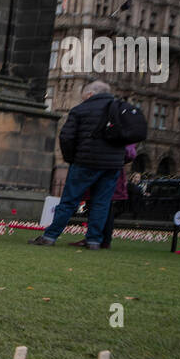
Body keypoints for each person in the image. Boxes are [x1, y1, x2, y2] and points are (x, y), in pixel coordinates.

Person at [29, 80, 126, 249]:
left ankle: (50, 236)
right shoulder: (121, 109)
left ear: (90, 94)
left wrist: (71, 158)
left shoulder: (81, 110)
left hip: (85, 161)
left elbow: (66, 137)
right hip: (113, 164)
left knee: (69, 200)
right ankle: (94, 240)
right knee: (101, 203)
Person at [68, 143, 137, 248]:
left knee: (101, 204)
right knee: (102, 205)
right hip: (108, 164)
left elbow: (129, 152)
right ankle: (101, 239)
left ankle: (97, 238)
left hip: (104, 166)